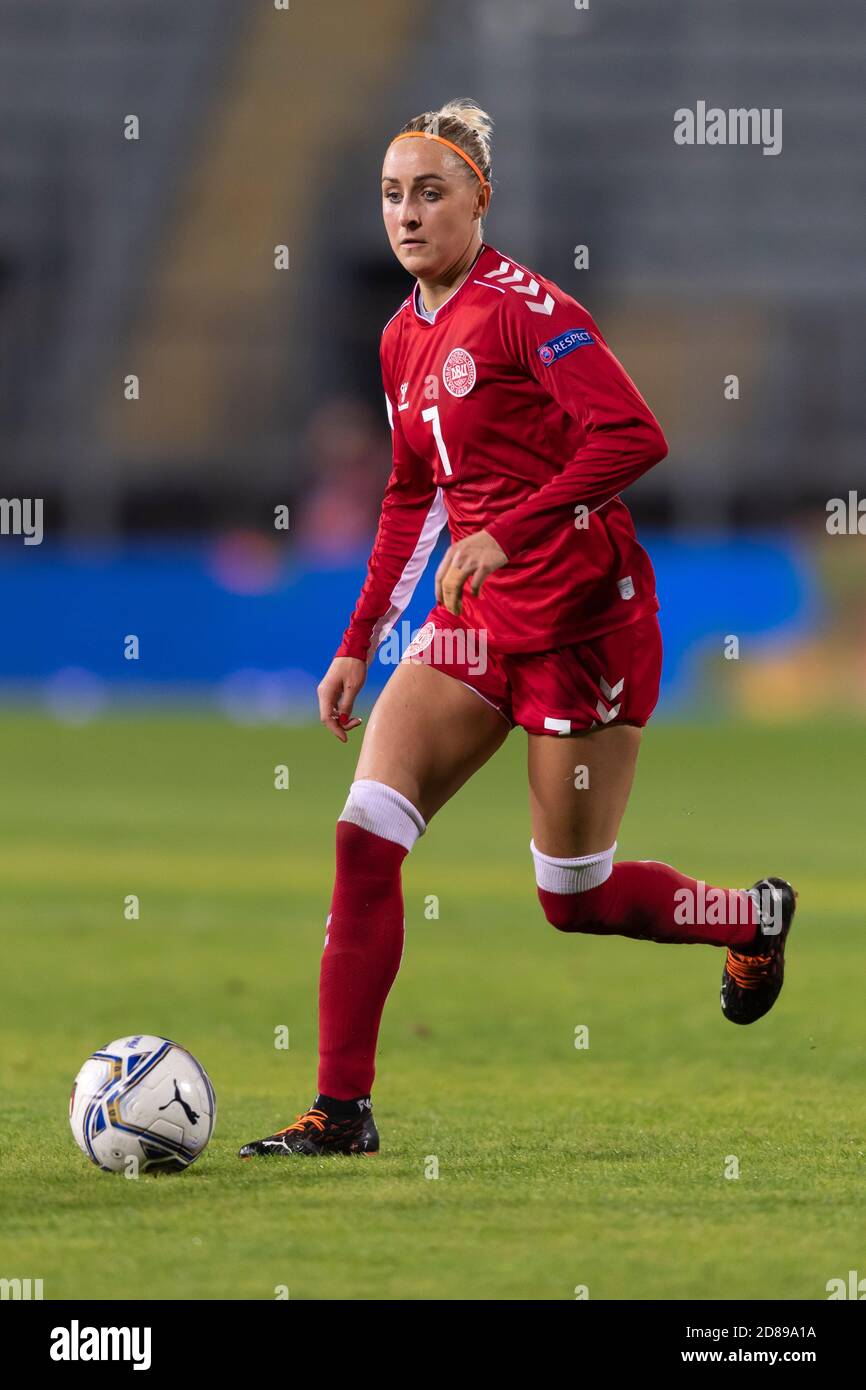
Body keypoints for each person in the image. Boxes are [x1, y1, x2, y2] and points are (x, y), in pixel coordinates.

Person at [239, 99, 795, 1160]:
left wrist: (510, 529)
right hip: (471, 625)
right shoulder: (401, 333)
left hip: (585, 622)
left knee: (571, 899)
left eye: (430, 192)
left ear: (478, 199)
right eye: (393, 194)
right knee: (364, 837)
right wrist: (357, 639)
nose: (407, 213)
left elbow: (634, 433)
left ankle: (746, 915)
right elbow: (408, 498)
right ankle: (339, 1110)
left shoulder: (524, 310)